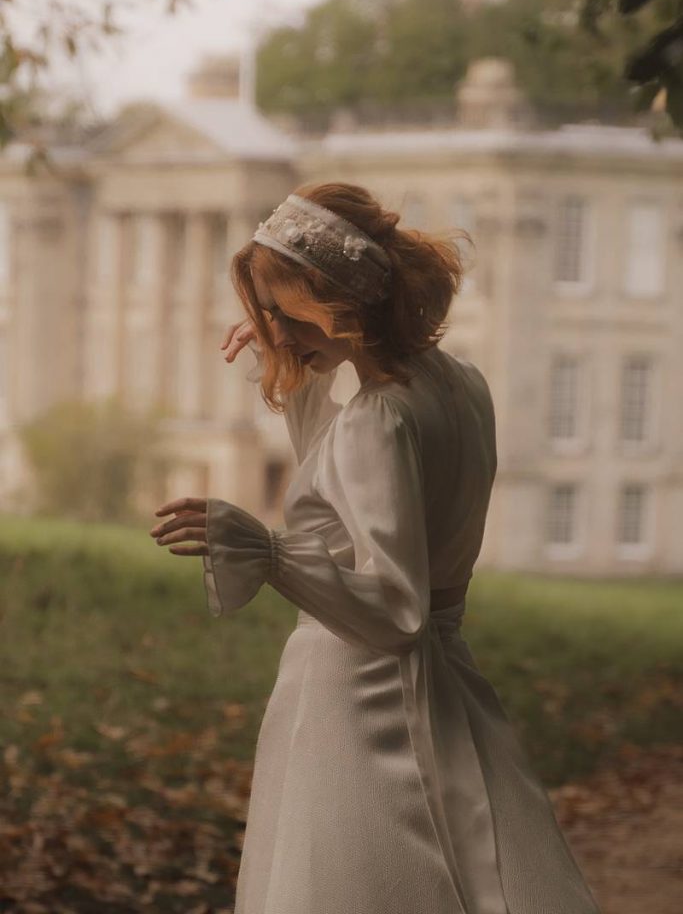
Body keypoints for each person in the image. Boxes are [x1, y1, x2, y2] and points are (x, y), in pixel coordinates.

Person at [150, 182, 601, 914]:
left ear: (338, 303)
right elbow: (340, 492)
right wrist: (288, 368)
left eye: (281, 310)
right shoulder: (459, 385)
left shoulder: (377, 420)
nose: (272, 328)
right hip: (444, 680)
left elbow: (394, 612)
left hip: (361, 698)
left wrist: (266, 552)